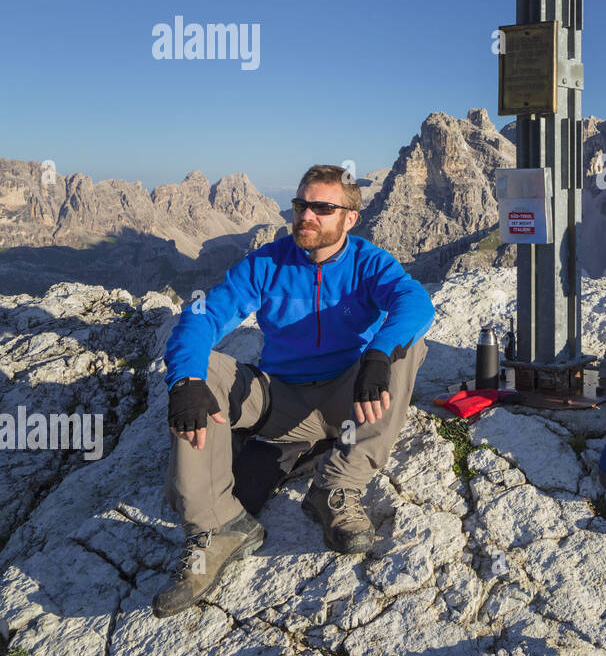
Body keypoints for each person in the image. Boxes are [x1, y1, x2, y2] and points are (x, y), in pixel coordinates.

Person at [152, 164, 433, 618]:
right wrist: (184, 379)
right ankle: (217, 525)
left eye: (322, 208)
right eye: (301, 204)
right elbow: (202, 316)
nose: (306, 215)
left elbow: (414, 301)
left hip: (349, 395)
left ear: (349, 218)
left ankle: (337, 487)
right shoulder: (267, 262)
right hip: (278, 398)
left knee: (407, 345)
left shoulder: (369, 262)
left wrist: (378, 355)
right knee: (199, 368)